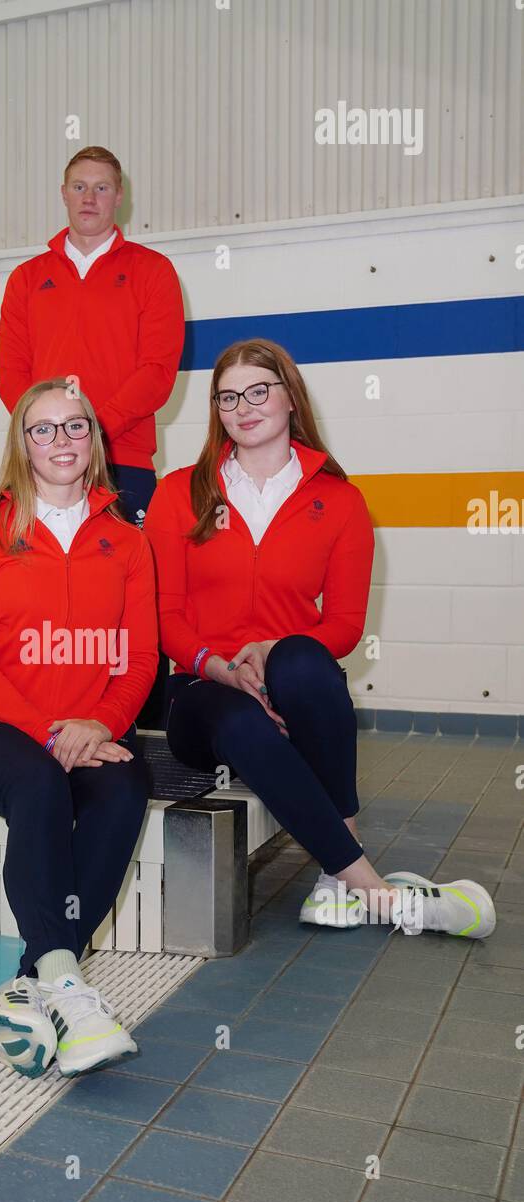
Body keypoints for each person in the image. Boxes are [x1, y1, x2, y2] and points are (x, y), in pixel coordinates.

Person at [144, 338, 496, 940]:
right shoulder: (180, 493)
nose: (243, 407)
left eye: (259, 391)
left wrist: (272, 650)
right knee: (239, 719)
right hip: (202, 693)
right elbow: (166, 616)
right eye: (228, 397)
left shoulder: (339, 501)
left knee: (306, 658)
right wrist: (222, 666)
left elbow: (345, 625)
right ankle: (374, 890)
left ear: (290, 398)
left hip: (293, 682)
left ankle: (338, 879)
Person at [0, 378, 158, 1076]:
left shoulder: (126, 542)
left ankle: (30, 986)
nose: (61, 441)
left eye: (76, 426)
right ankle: (70, 989)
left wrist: (97, 725)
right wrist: (47, 732)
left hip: (89, 729)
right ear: (21, 442)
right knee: (39, 786)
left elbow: (140, 658)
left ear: (94, 440)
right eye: (44, 428)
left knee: (126, 786)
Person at [0, 145, 185, 724]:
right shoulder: (27, 279)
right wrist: (58, 438)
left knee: (131, 606)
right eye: (80, 187)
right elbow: (13, 380)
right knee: (44, 602)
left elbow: (157, 373)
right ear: (63, 193)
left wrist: (85, 434)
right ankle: (40, 725)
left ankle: (142, 732)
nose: (90, 199)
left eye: (102, 188)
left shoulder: (153, 271)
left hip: (124, 464)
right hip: (40, 474)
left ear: (119, 195)